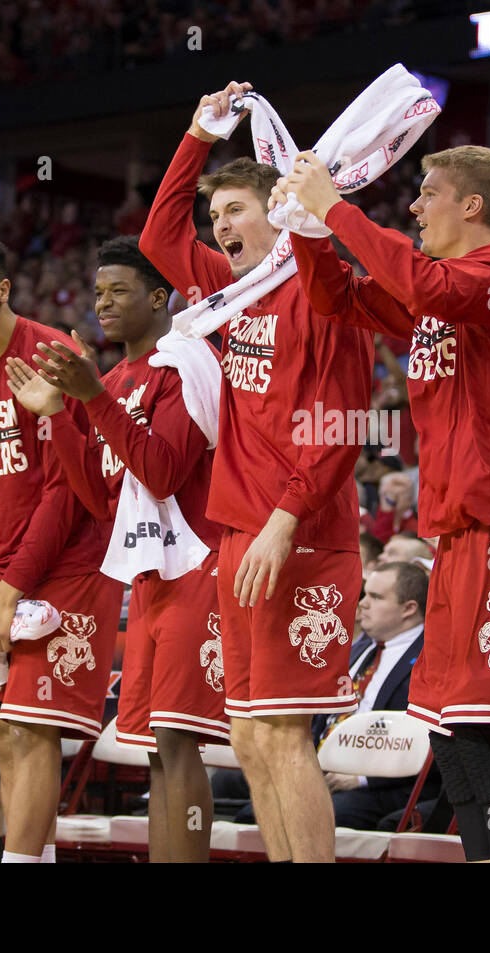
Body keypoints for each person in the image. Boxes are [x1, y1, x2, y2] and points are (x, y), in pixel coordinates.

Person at [275, 140, 490, 863]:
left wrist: (336, 208)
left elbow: (427, 286)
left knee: (481, 726)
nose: (413, 206)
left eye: (427, 193)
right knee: (448, 725)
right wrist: (313, 235)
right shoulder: (444, 290)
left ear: (471, 204)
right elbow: (338, 297)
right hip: (459, 525)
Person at [139, 82, 372, 863]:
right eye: (217, 218)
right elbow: (158, 234)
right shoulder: (235, 293)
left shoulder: (324, 290)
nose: (219, 228)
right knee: (246, 732)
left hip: (297, 533)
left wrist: (284, 519)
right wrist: (198, 132)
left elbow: (342, 430)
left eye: (234, 211)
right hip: (239, 533)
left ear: (278, 210)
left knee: (280, 727)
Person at [4, 236, 227, 862]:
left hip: (198, 561)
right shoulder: (113, 377)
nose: (102, 303)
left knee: (180, 743)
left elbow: (161, 471)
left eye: (118, 291)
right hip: (152, 571)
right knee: (158, 747)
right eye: (97, 291)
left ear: (159, 297)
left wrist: (89, 399)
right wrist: (61, 414)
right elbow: (102, 499)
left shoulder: (185, 363)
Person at [0, 234, 122, 863]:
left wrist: (7, 593)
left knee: (28, 728)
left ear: (2, 290)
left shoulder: (55, 355)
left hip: (71, 565)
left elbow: (67, 495)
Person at [315, 561, 428, 830]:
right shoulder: (357, 649)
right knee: (244, 799)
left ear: (409, 609)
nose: (362, 604)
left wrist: (363, 778)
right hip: (325, 771)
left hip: (386, 785)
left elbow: (434, 741)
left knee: (312, 819)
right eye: (365, 594)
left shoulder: (432, 659)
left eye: (375, 597)